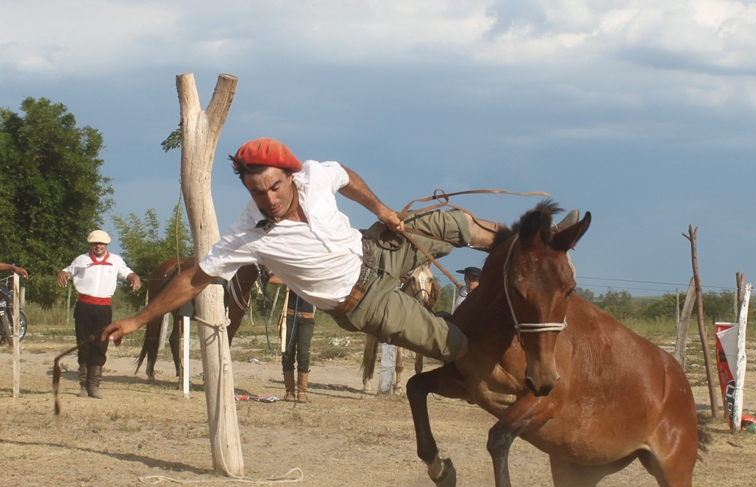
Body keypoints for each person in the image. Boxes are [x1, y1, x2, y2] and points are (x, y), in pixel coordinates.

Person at [101, 138, 501, 364]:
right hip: (364, 304)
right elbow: (194, 277)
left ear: (290, 176)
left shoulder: (312, 176)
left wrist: (381, 210)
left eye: (275, 186)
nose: (269, 198)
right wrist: (137, 320)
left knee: (454, 223)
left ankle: (535, 241)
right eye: (257, 192)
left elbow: (344, 175)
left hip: (378, 248)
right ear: (247, 189)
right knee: (453, 344)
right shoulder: (246, 234)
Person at [58, 230, 141, 398]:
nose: (98, 246)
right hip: (84, 306)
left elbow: (127, 273)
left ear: (106, 245)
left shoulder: (116, 260)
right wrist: (63, 274)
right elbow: (68, 271)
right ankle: (83, 384)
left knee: (100, 344)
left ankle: (94, 384)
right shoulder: (82, 260)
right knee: (83, 344)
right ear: (90, 245)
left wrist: (135, 277)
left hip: (103, 308)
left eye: (101, 244)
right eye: (95, 244)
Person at [269, 273, 315, 403]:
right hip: (288, 315)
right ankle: (289, 391)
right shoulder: (290, 270)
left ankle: (302, 391)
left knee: (303, 353)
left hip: (307, 318)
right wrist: (292, 278)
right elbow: (272, 279)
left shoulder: (314, 271)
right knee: (287, 353)